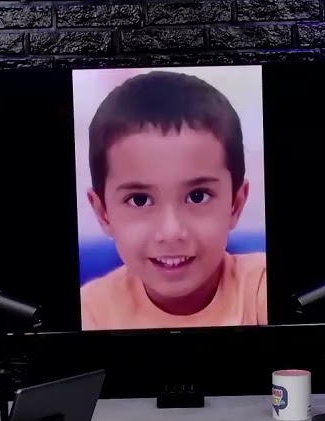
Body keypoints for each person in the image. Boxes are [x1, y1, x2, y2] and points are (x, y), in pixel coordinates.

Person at [79, 70, 268, 331]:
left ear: (236, 204)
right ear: (103, 213)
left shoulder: (262, 289)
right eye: (140, 200)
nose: (171, 232)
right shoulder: (90, 312)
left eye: (197, 196)